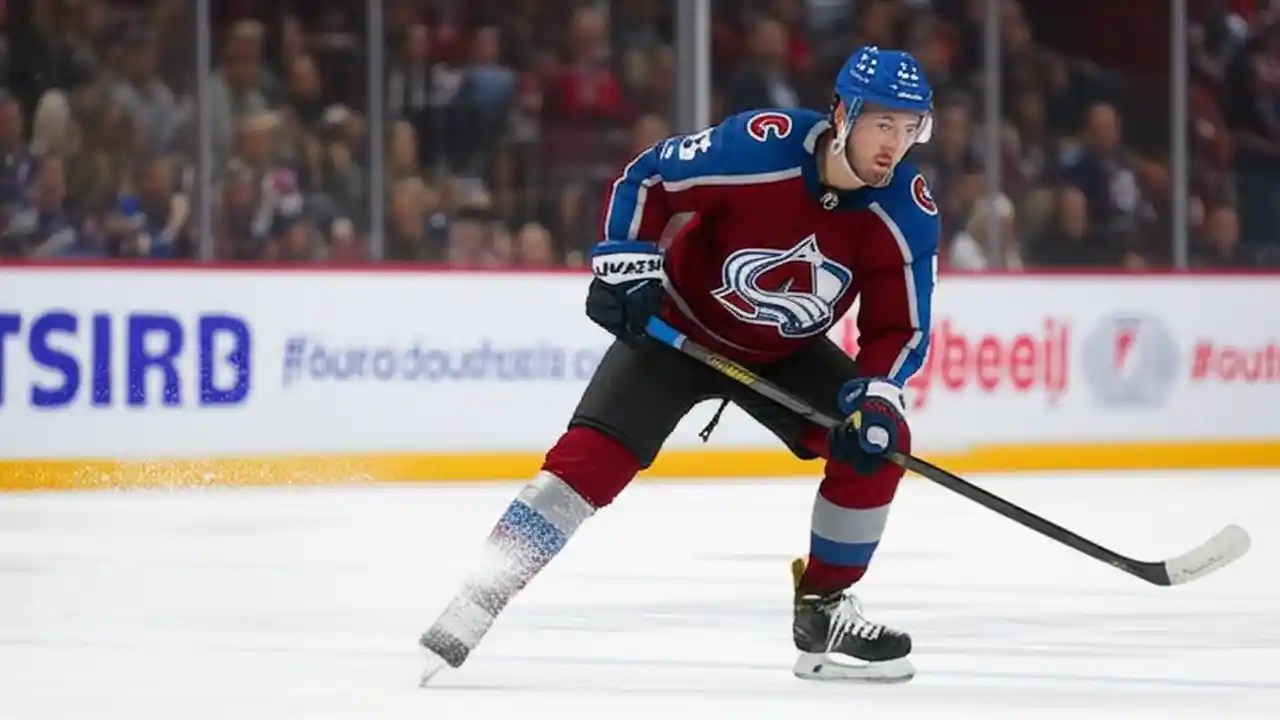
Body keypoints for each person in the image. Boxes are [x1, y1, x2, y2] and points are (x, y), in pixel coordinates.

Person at [419, 46, 940, 685]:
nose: (895, 143)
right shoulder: (757, 149)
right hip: (678, 330)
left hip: (784, 354)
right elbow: (648, 179)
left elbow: (899, 326)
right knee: (585, 465)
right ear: (842, 112)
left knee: (878, 447)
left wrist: (877, 396)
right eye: (882, 123)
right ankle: (479, 595)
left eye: (909, 127)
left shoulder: (906, 212)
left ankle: (824, 606)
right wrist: (628, 264)